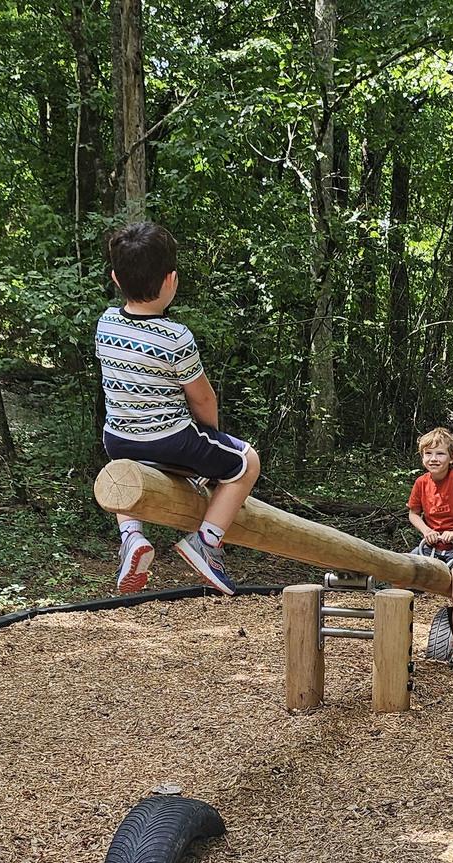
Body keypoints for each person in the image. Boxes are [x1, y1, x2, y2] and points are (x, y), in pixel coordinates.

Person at [95, 221, 262, 597]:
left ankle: (131, 536)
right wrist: (212, 447)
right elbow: (202, 398)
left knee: (127, 471)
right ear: (171, 279)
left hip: (118, 440)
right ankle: (207, 541)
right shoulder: (175, 337)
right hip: (169, 439)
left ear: (116, 279)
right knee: (246, 462)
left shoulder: (105, 324)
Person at [406, 427, 453, 670]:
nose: (433, 459)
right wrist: (426, 530)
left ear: (452, 457)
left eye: (439, 454)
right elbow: (413, 513)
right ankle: (398, 636)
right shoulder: (421, 482)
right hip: (430, 546)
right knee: (398, 576)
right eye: (428, 454)